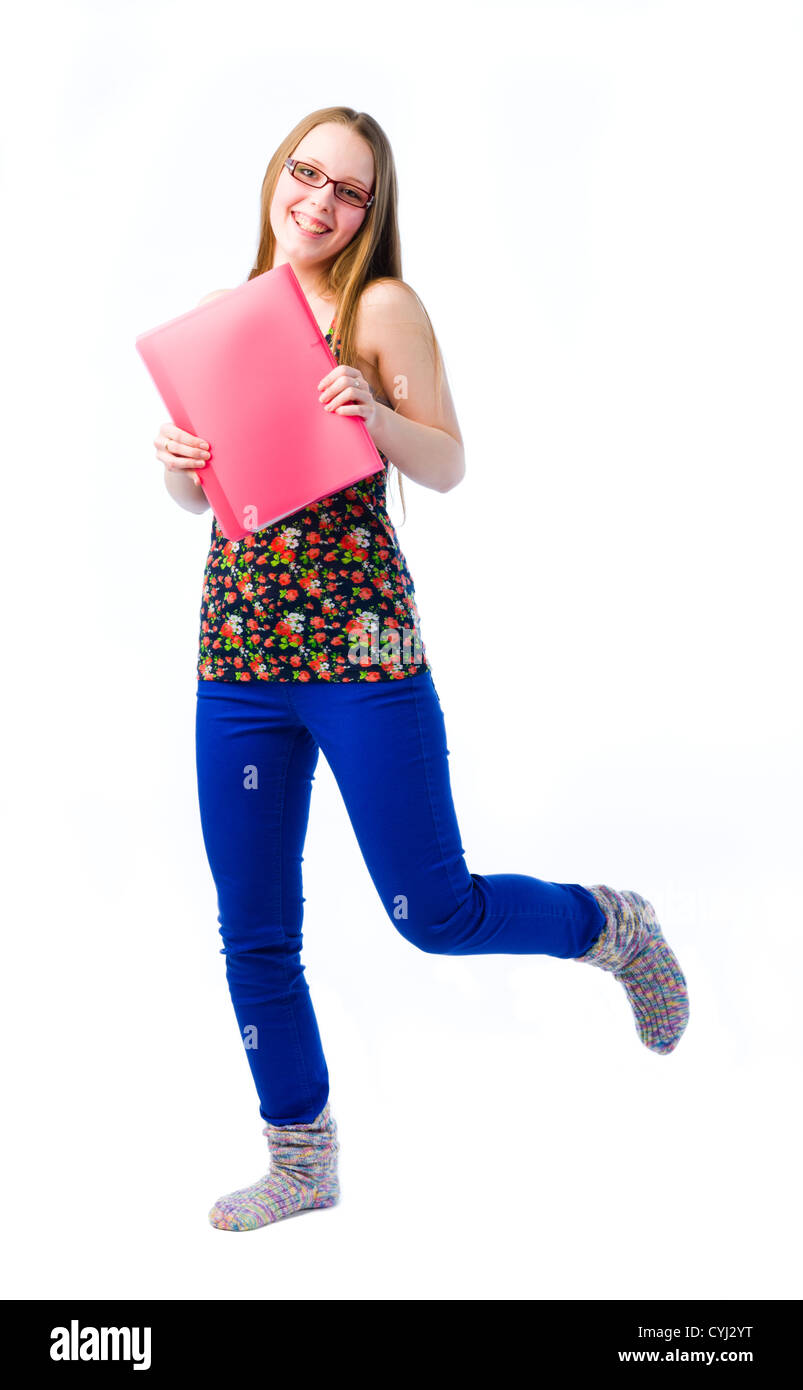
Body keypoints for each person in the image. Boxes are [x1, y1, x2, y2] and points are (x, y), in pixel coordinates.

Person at [155, 106, 690, 1233]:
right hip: (239, 662)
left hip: (362, 654)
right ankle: (302, 1161)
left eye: (346, 190)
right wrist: (176, 466)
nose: (318, 200)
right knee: (252, 929)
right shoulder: (219, 320)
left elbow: (445, 462)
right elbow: (208, 500)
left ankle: (610, 925)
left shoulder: (378, 305)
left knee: (430, 908)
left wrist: (374, 415)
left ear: (369, 210)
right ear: (275, 175)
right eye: (305, 173)